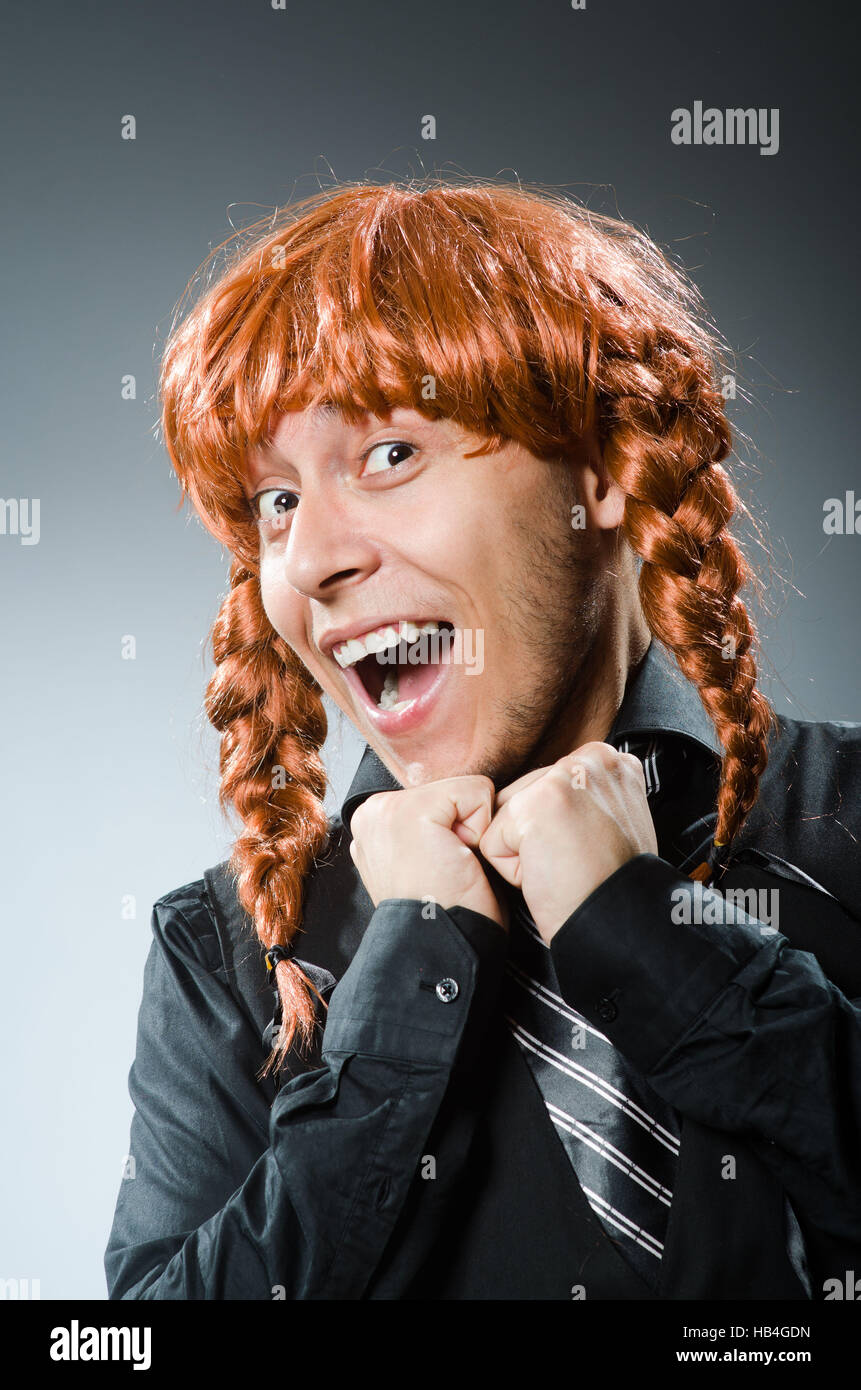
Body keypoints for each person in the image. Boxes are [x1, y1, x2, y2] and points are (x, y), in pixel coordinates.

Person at [105, 180, 861, 1300]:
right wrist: (402, 988)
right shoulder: (226, 955)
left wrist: (646, 935)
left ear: (603, 468)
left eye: (389, 454)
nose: (311, 557)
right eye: (275, 500)